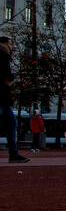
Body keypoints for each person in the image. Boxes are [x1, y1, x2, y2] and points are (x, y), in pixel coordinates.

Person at [0, 35, 29, 164]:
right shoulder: (3, 56)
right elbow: (7, 78)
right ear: (5, 44)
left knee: (11, 125)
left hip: (3, 100)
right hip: (2, 98)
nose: (12, 47)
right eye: (11, 44)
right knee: (11, 126)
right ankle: (13, 154)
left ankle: (14, 153)